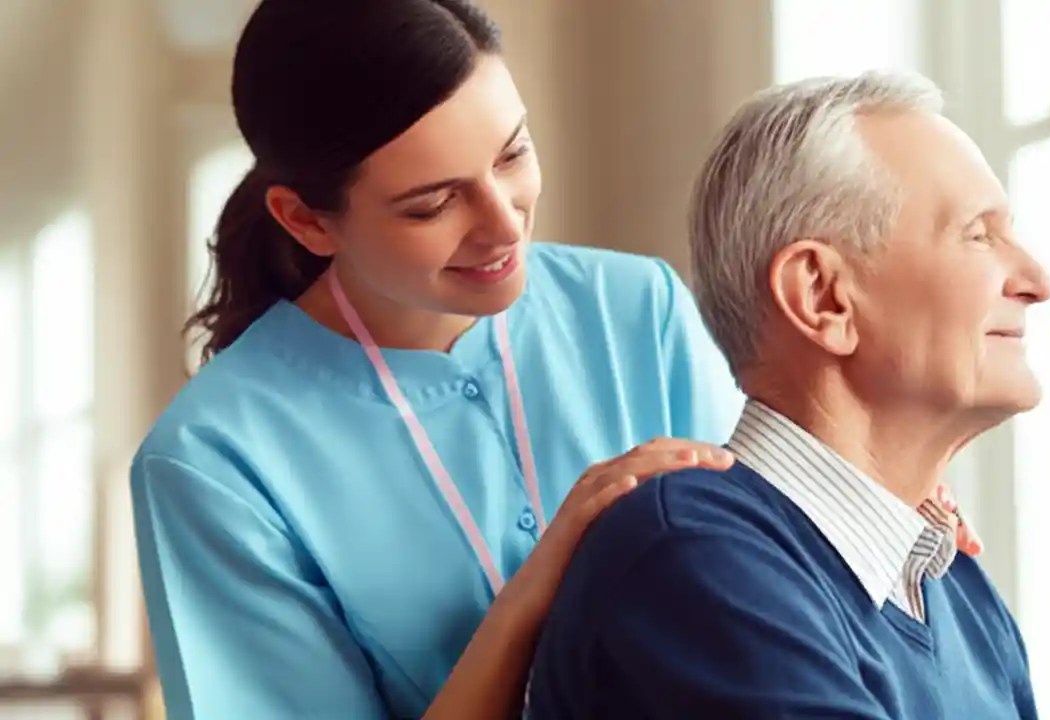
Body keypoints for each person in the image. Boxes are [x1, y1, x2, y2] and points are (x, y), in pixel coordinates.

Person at [130, 2, 981, 718]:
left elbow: (776, 569)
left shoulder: (636, 308)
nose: (504, 223)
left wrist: (885, 500)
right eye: (433, 204)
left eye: (512, 154)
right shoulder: (212, 462)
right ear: (307, 220)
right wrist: (544, 580)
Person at [526, 70, 1050, 719]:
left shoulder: (963, 594)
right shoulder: (692, 557)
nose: (1037, 280)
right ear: (822, 297)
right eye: (978, 235)